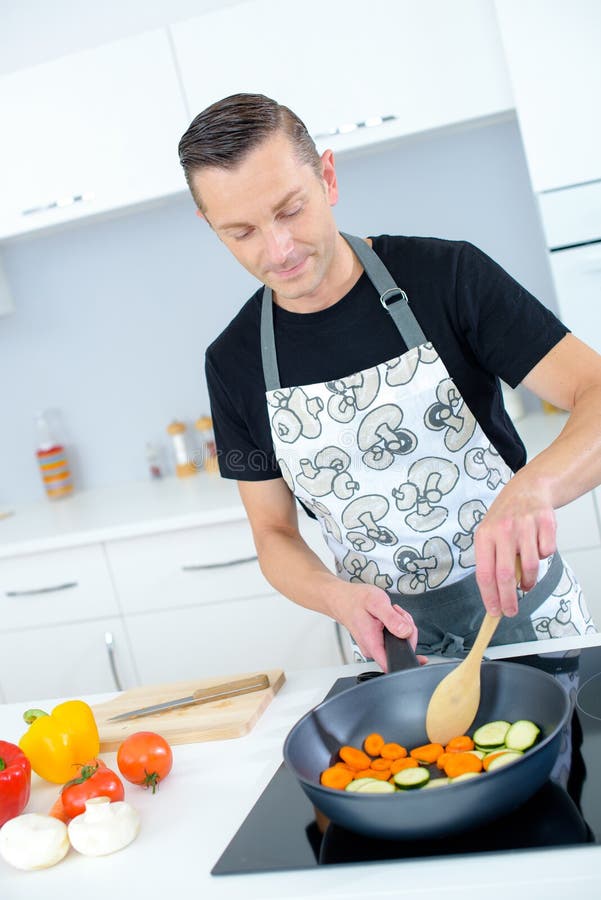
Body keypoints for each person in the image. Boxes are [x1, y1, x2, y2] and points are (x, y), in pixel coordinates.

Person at [177, 93, 600, 671]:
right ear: (210, 227)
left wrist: (536, 488)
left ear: (327, 177)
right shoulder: (233, 362)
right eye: (242, 231)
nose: (278, 250)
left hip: (535, 628)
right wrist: (337, 598)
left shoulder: (447, 278)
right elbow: (274, 533)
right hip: (398, 660)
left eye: (290, 210)